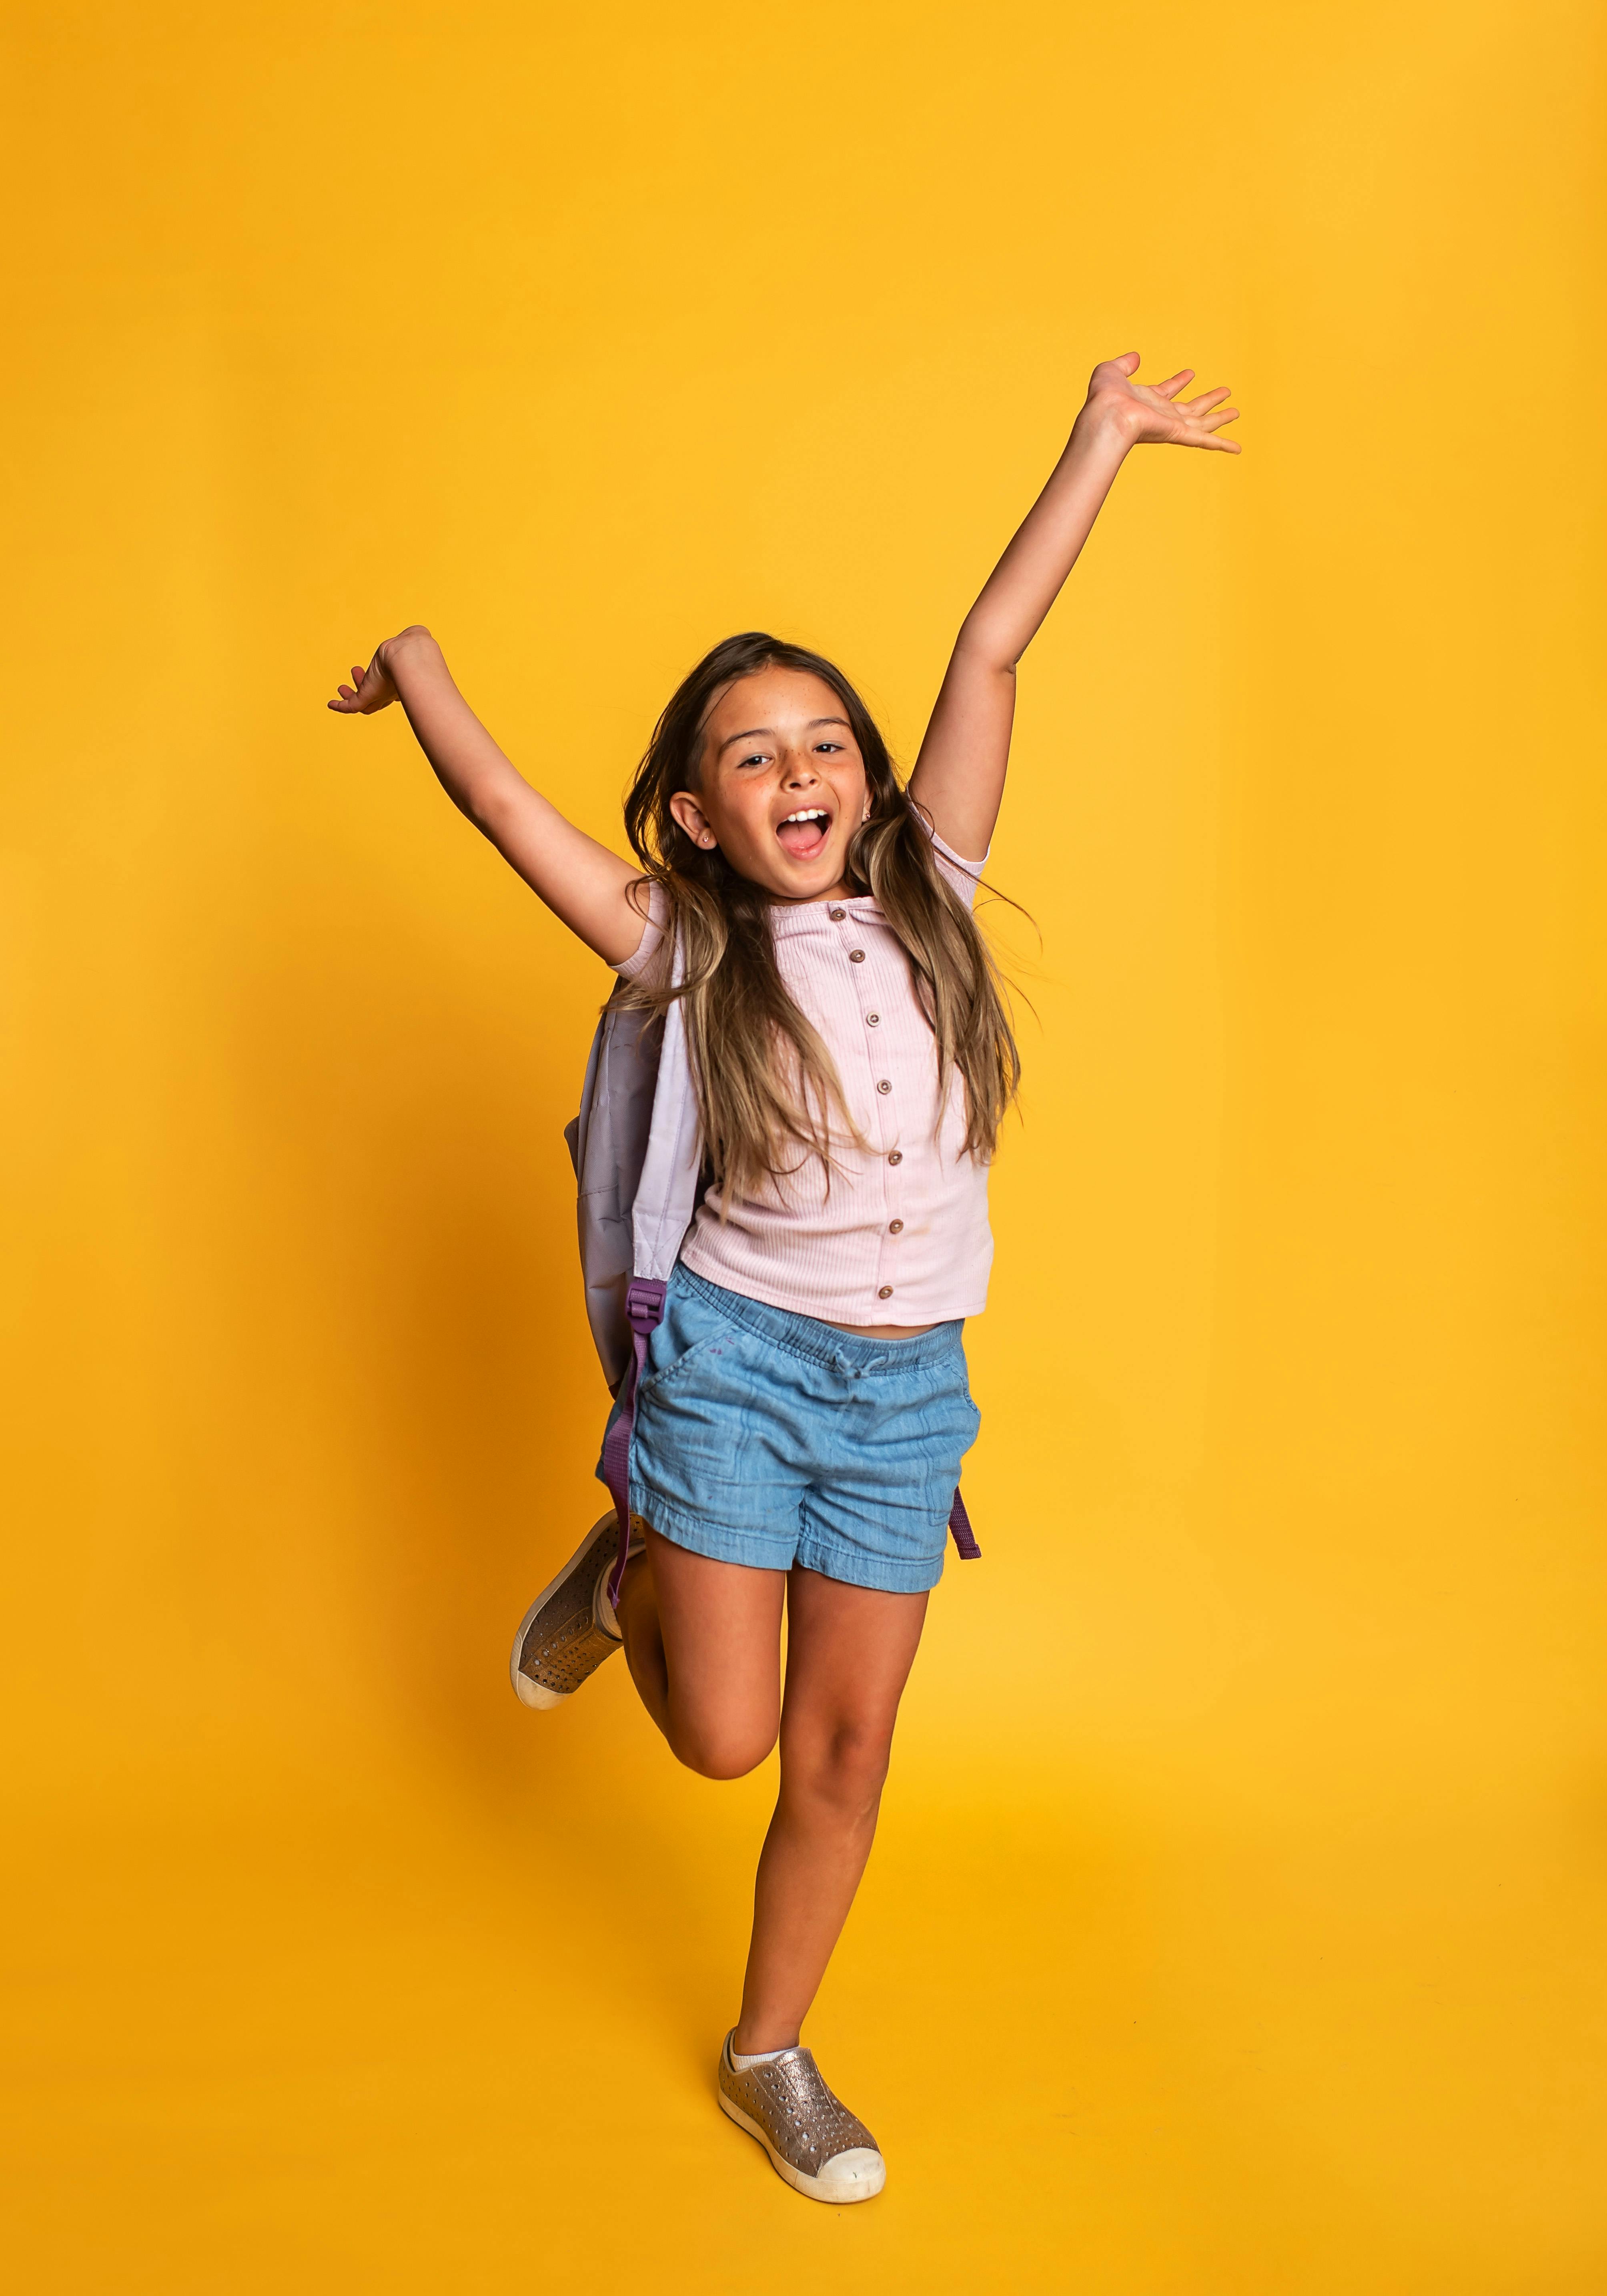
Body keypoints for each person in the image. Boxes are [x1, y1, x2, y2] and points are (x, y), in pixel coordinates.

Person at [329, 351, 1239, 2204]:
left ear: (870, 780)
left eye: (822, 740)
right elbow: (512, 819)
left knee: (840, 1750)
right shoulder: (676, 946)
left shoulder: (935, 909)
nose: (797, 769)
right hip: (738, 1370)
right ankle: (640, 1559)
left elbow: (988, 648)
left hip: (905, 1394)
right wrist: (417, 665)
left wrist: (1101, 440)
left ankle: (771, 2052)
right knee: (725, 1736)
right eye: (750, 754)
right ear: (692, 815)